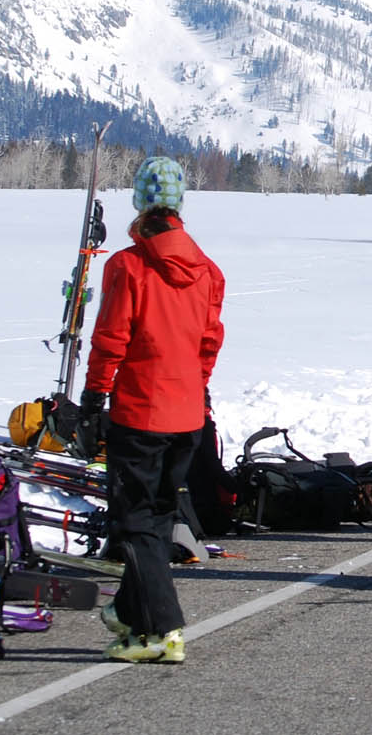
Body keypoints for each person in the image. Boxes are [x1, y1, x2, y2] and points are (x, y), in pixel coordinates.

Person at [77, 155, 225, 664]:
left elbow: (111, 339)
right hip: (187, 416)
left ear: (140, 206)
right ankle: (130, 612)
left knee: (134, 521)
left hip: (140, 413)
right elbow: (210, 342)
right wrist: (197, 388)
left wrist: (94, 396)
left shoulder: (128, 265)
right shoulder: (208, 271)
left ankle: (163, 629)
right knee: (158, 517)